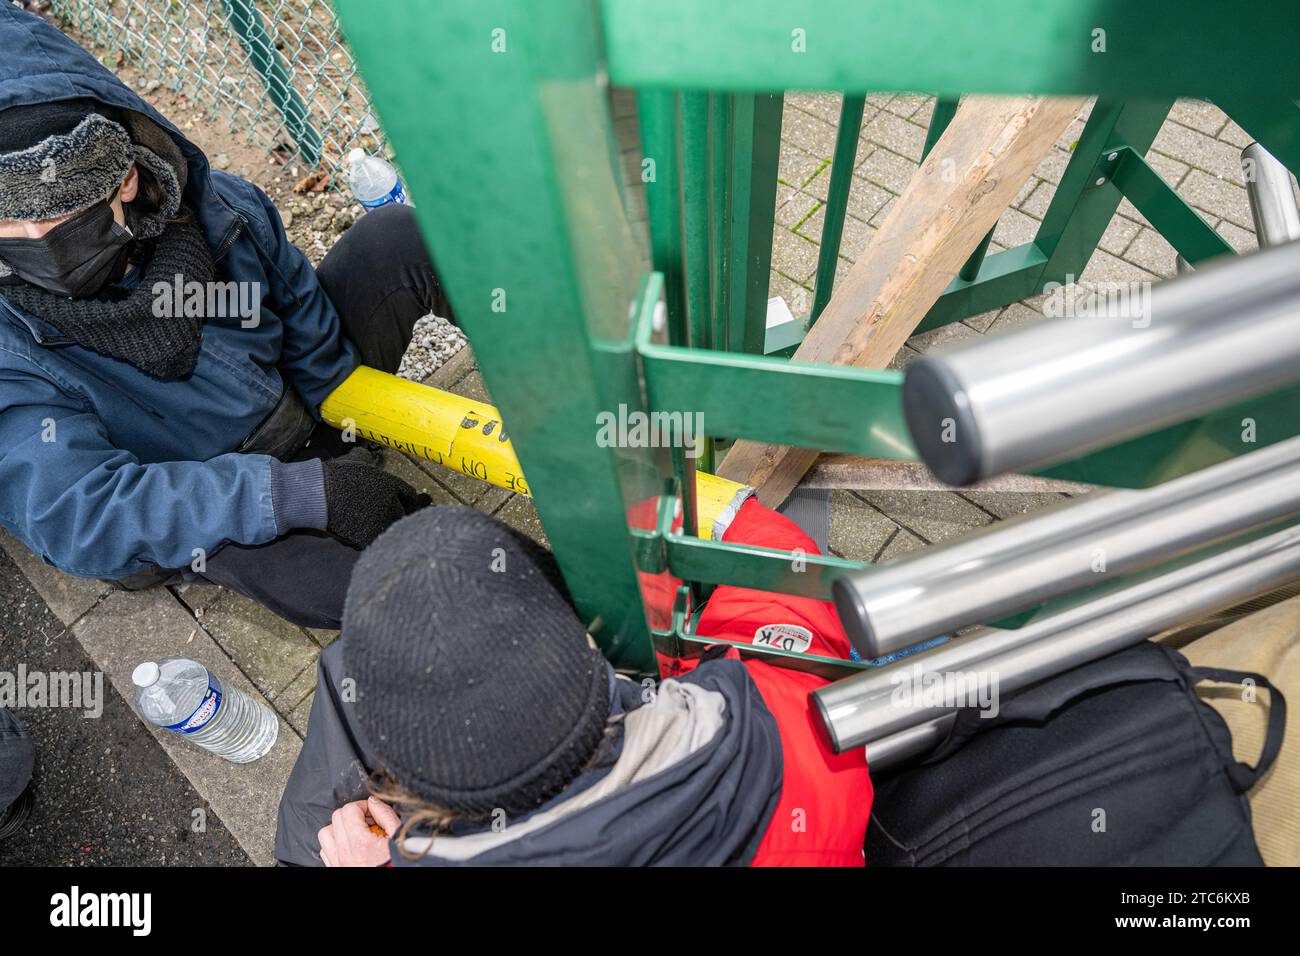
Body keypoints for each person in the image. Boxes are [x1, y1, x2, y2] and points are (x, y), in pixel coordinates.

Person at [0, 5, 448, 628]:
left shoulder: (221, 209)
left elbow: (308, 329)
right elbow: (78, 511)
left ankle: (585, 392)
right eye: (3, 219)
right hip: (194, 502)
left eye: (52, 210)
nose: (28, 239)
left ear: (125, 179)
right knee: (388, 597)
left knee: (396, 240)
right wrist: (288, 495)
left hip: (292, 413)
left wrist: (337, 432)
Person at [276, 495, 872, 867]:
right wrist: (730, 510)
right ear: (586, 644)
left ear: (404, 778)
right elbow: (786, 614)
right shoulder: (789, 732)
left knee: (344, 670)